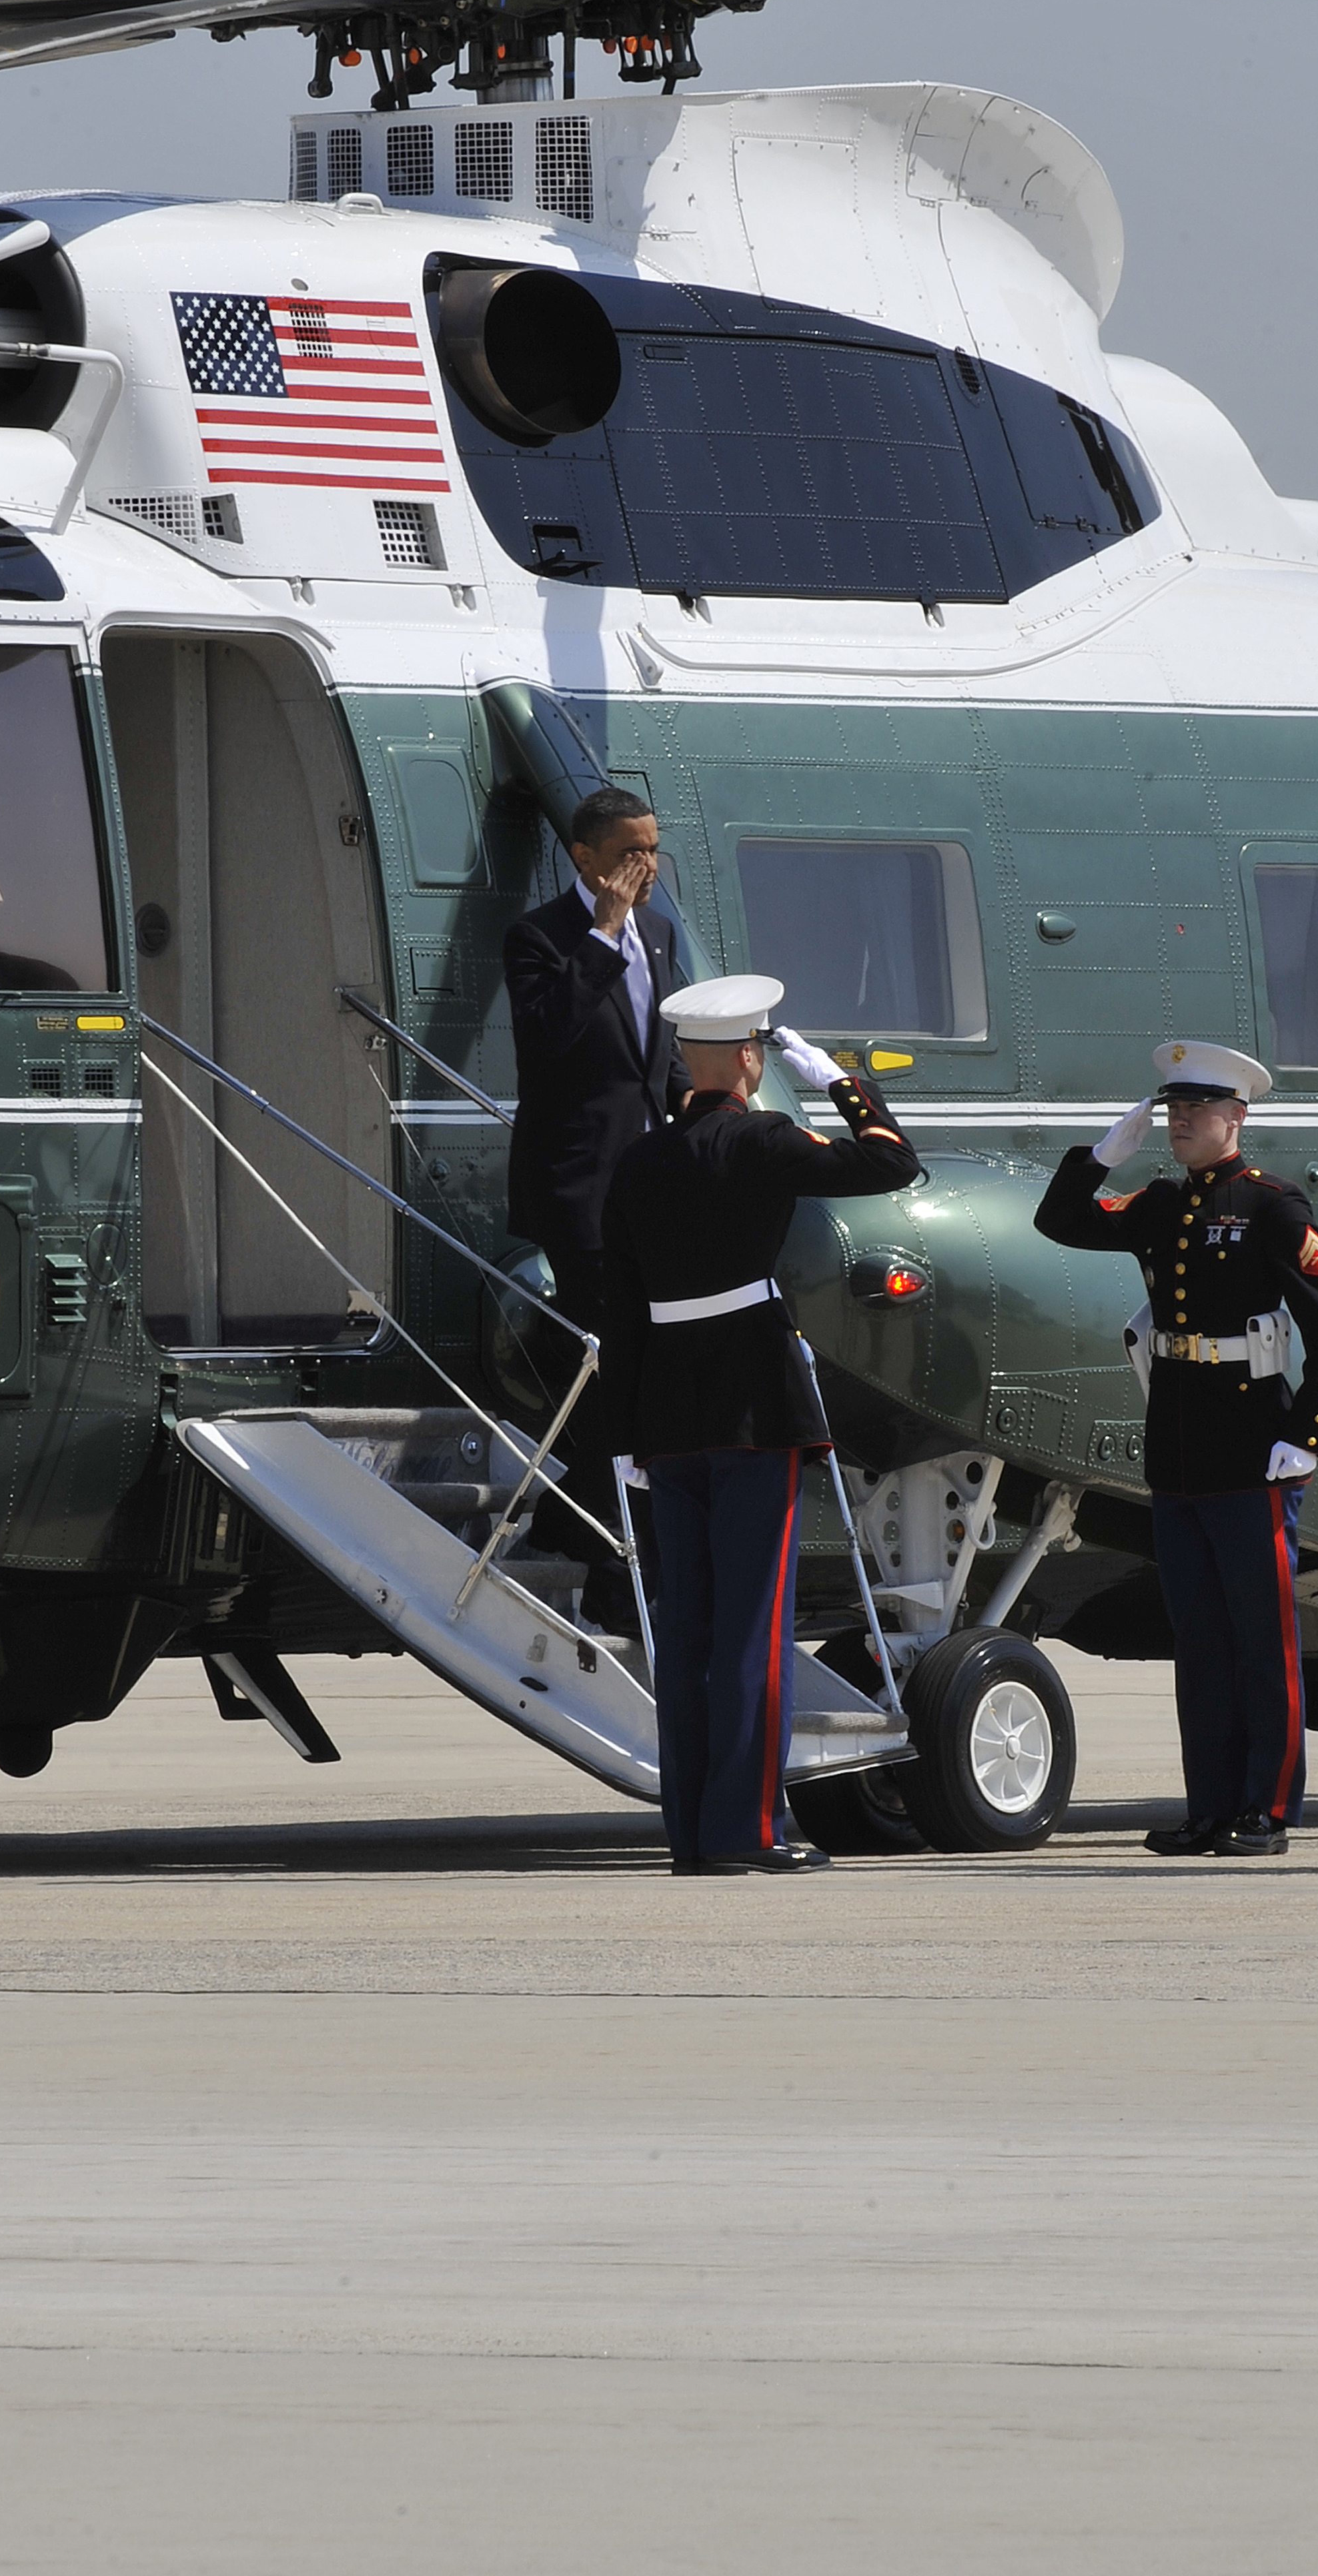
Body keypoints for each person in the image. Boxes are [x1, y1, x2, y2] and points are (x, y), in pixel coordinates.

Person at [602, 975, 920, 1874]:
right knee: (752, 1631)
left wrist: (625, 1438)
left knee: (689, 1631)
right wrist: (844, 1082)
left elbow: (619, 1313)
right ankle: (748, 1829)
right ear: (750, 1059)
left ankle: (693, 1835)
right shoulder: (762, 1138)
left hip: (666, 1419)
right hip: (751, 1407)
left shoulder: (638, 1162)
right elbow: (892, 1163)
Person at [1034, 1040, 1318, 1859]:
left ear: (1235, 1116)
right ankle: (1210, 1806)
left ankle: (1267, 1809)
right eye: (1171, 1108)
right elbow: (1060, 1221)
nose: (1179, 1120)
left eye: (1196, 1109)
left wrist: (1306, 1436)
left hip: (1254, 1446)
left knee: (1260, 1638)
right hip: (1178, 1449)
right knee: (1201, 1641)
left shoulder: (1271, 1207)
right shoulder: (1162, 1204)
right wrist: (1102, 1155)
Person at [502, 786, 690, 1605]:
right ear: (586, 859)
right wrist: (603, 932)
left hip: (653, 1184)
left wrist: (704, 1110)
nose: (645, 868)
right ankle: (607, 1541)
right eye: (629, 855)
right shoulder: (542, 936)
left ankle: (569, 1519)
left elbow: (666, 1054)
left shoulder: (661, 931)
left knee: (642, 1359)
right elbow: (548, 1038)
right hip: (579, 1185)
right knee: (615, 1355)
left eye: (653, 850)